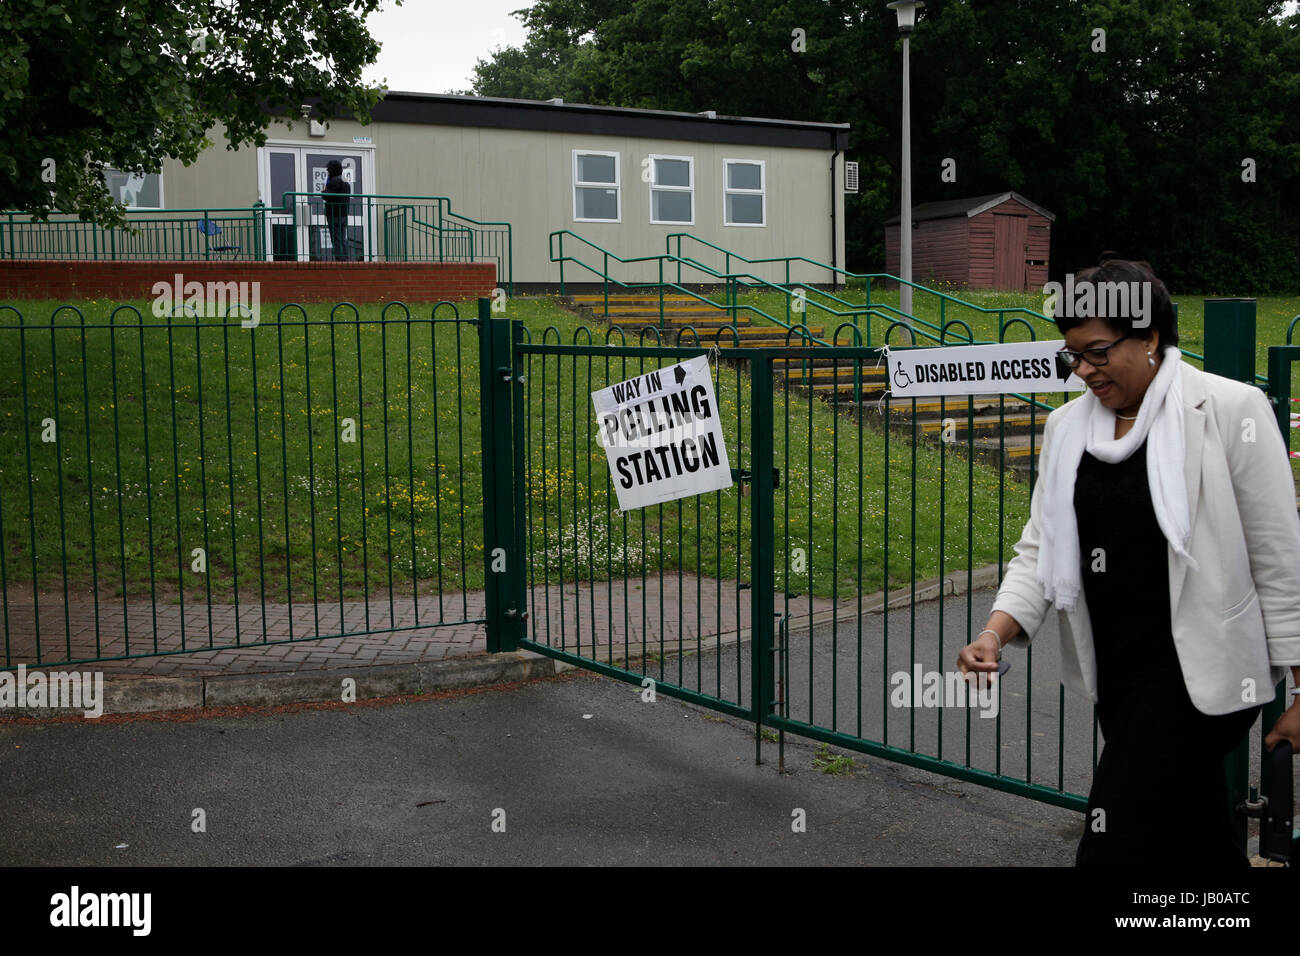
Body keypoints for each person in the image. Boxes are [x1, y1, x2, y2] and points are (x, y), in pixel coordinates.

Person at [957, 258, 1300, 867]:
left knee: (1114, 837)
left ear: (1149, 338)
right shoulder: (1067, 429)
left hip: (1202, 676)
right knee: (1194, 827)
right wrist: (993, 632)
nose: (1083, 371)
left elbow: (1279, 555)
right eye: (1072, 357)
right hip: (1115, 670)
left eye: (1097, 352)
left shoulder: (1229, 410)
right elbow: (1041, 544)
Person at [321, 159, 351, 261]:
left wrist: (323, 192)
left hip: (334, 214)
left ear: (332, 170)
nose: (328, 172)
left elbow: (327, 196)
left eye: (329, 170)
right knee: (342, 238)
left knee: (336, 239)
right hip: (343, 214)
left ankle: (340, 261)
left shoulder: (335, 180)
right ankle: (345, 259)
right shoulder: (345, 180)